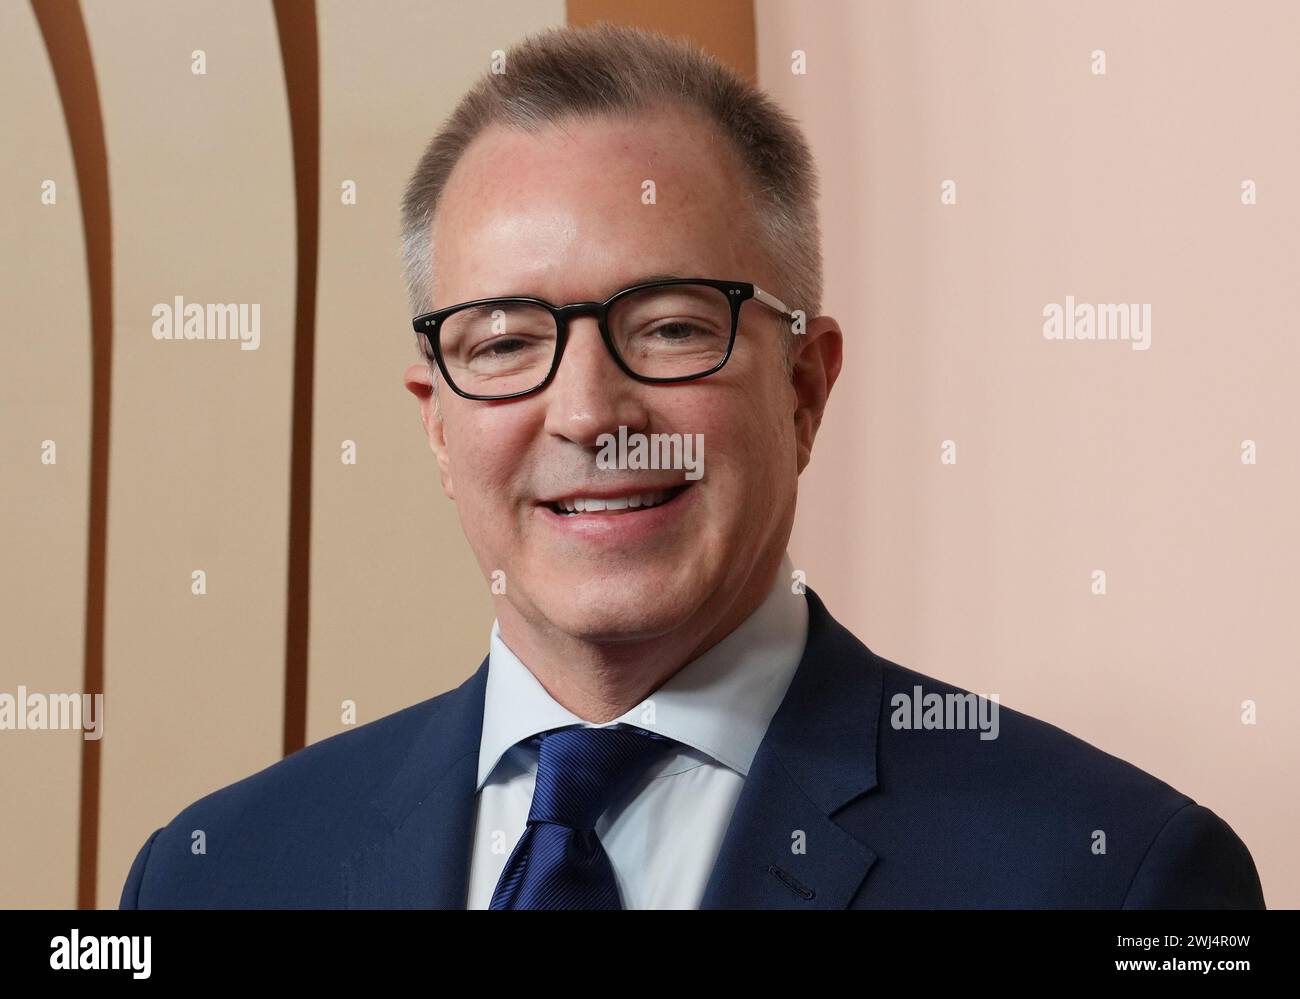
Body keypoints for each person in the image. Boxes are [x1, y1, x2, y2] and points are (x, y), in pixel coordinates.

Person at [120, 23, 1264, 909]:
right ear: (433, 420)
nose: (586, 413)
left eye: (669, 326)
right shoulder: (217, 874)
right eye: (505, 343)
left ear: (805, 388)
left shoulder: (1108, 877)